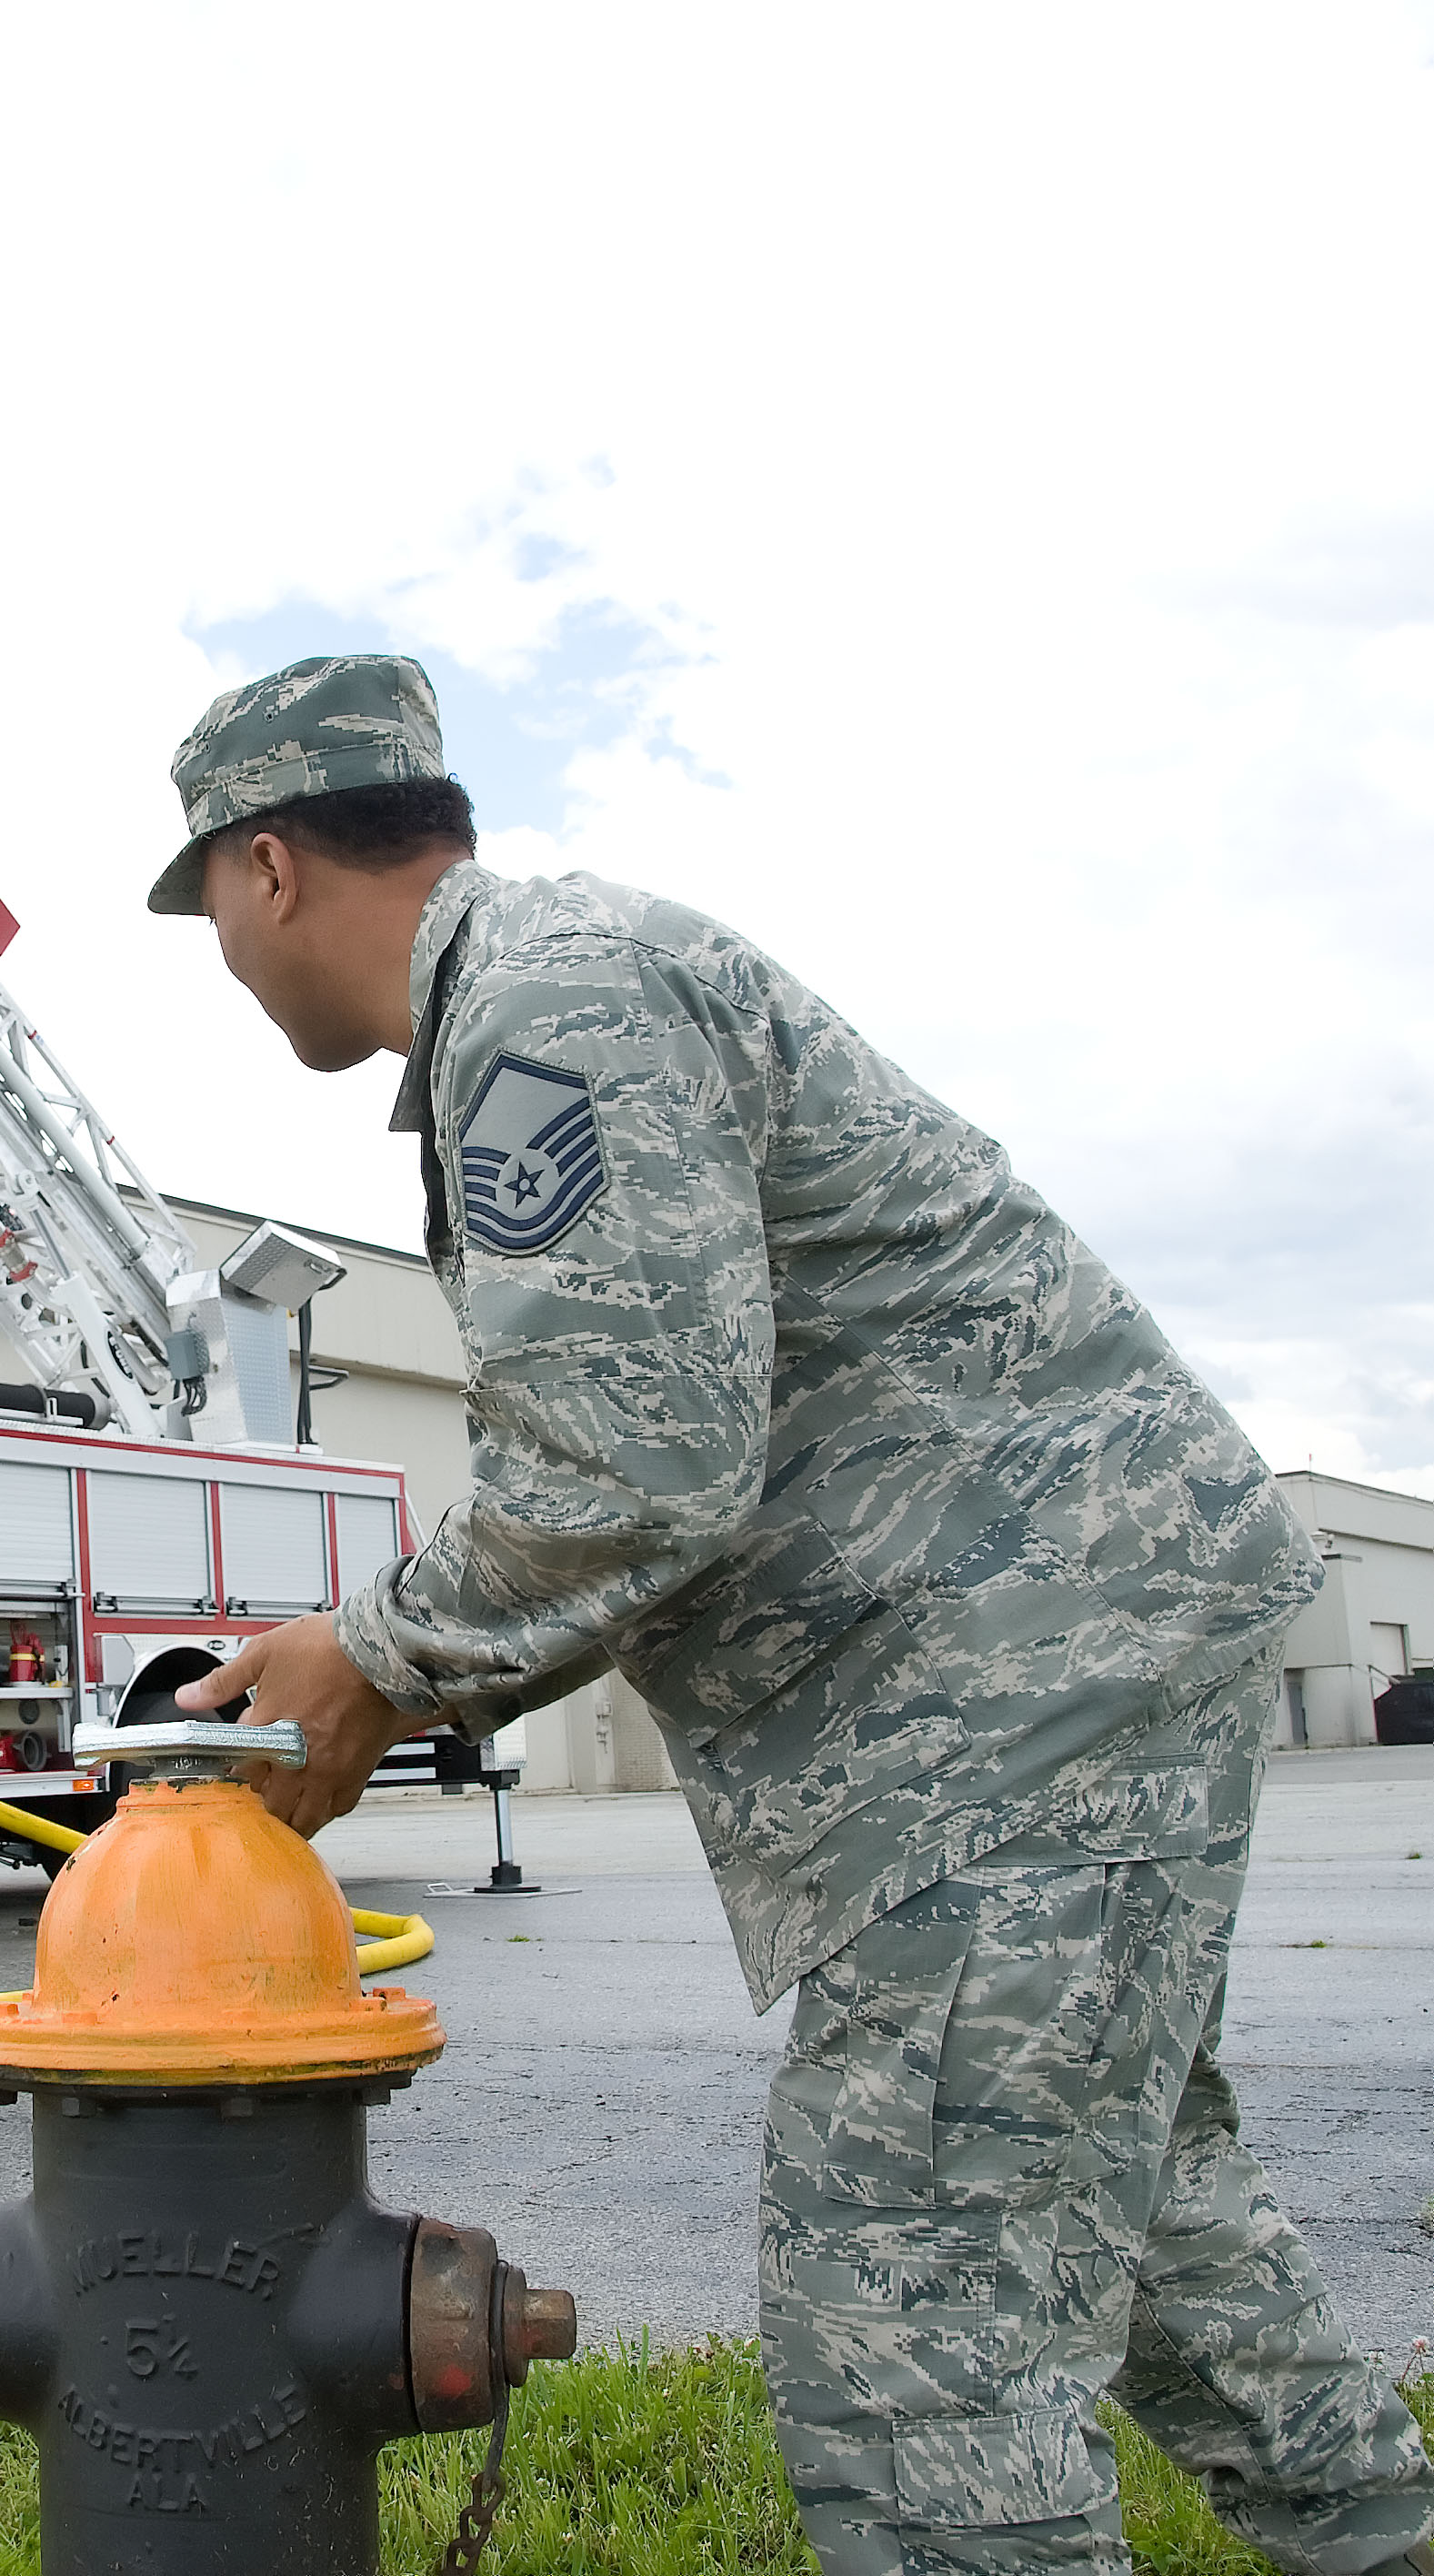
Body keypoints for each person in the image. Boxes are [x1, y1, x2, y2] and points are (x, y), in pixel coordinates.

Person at [151, 653, 1433, 2576]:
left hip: (1011, 1690)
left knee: (912, 2315)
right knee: (1146, 2227)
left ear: (265, 865)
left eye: (209, 917)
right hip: (1056, 1653)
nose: (228, 962)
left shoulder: (542, 1004)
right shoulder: (553, 984)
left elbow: (628, 1471)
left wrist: (370, 1662)